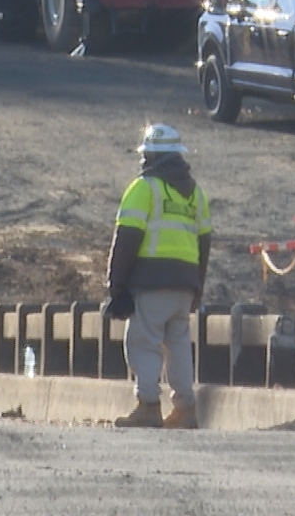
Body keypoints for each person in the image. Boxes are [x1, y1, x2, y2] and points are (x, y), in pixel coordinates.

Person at [104, 124, 213, 429]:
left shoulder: (144, 188)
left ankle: (149, 405)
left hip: (151, 282)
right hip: (185, 285)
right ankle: (185, 408)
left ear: (150, 156)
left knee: (143, 340)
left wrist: (116, 284)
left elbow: (126, 238)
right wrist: (198, 289)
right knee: (177, 344)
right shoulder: (197, 195)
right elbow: (204, 243)